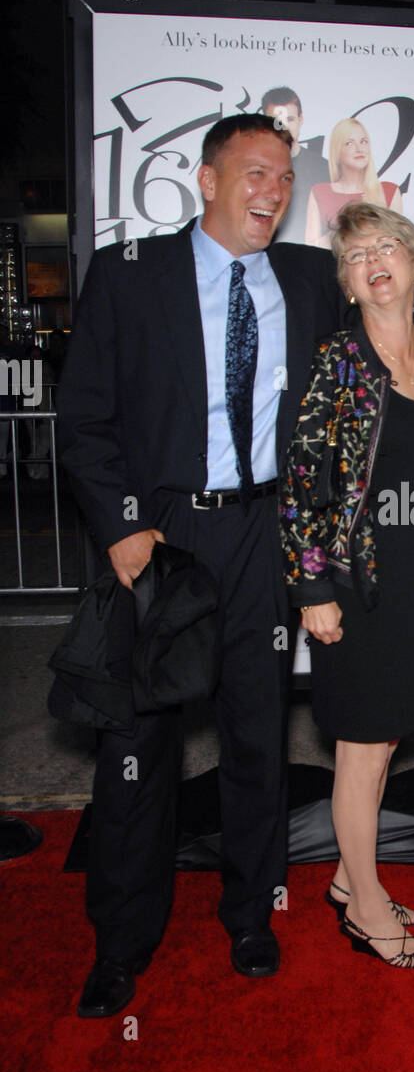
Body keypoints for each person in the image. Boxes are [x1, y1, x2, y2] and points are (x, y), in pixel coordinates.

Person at [58, 113, 346, 1017]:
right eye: (255, 172)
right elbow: (85, 417)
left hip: (263, 529)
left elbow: (391, 324)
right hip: (161, 535)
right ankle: (121, 941)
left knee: (257, 735)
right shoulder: (130, 273)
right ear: (208, 180)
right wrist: (123, 527)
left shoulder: (307, 276)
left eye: (284, 176)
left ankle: (252, 915)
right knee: (137, 744)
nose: (273, 190)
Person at [280, 202, 414, 969]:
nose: (373, 262)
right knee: (361, 747)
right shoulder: (340, 359)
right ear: (347, 283)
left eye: (387, 247)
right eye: (356, 256)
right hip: (354, 582)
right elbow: (301, 480)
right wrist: (311, 589)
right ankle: (365, 906)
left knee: (385, 739)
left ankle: (347, 879)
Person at [306, 118, 403, 249]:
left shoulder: (389, 191)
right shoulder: (320, 192)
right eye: (349, 143)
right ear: (337, 151)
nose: (359, 149)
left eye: (363, 141)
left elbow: (398, 246)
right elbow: (310, 248)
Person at [261, 86, 329, 244]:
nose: (284, 128)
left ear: (300, 120)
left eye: (290, 119)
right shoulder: (253, 169)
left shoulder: (324, 169)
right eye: (277, 122)